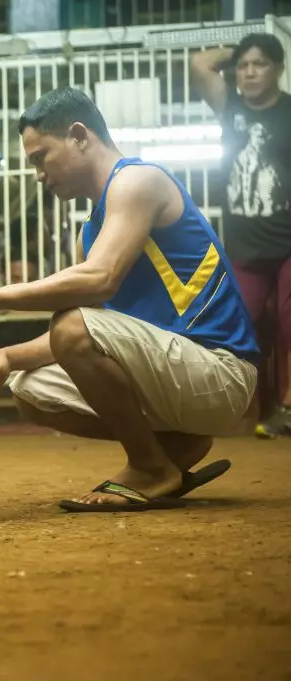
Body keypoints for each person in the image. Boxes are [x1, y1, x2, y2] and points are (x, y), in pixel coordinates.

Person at [0, 87, 259, 512]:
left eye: (41, 157)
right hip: (174, 375)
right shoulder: (90, 233)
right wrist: (11, 356)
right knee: (30, 389)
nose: (38, 175)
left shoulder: (137, 180)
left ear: (79, 135)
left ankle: (149, 466)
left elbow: (100, 284)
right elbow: (100, 327)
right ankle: (172, 447)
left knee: (71, 324)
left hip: (220, 373)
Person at [191, 34, 291, 439]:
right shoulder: (229, 105)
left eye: (260, 64)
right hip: (246, 247)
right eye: (244, 65)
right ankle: (229, 410)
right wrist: (243, 47)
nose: (250, 72)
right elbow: (200, 64)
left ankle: (287, 407)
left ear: (279, 70)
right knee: (236, 324)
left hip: (288, 244)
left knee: (290, 320)